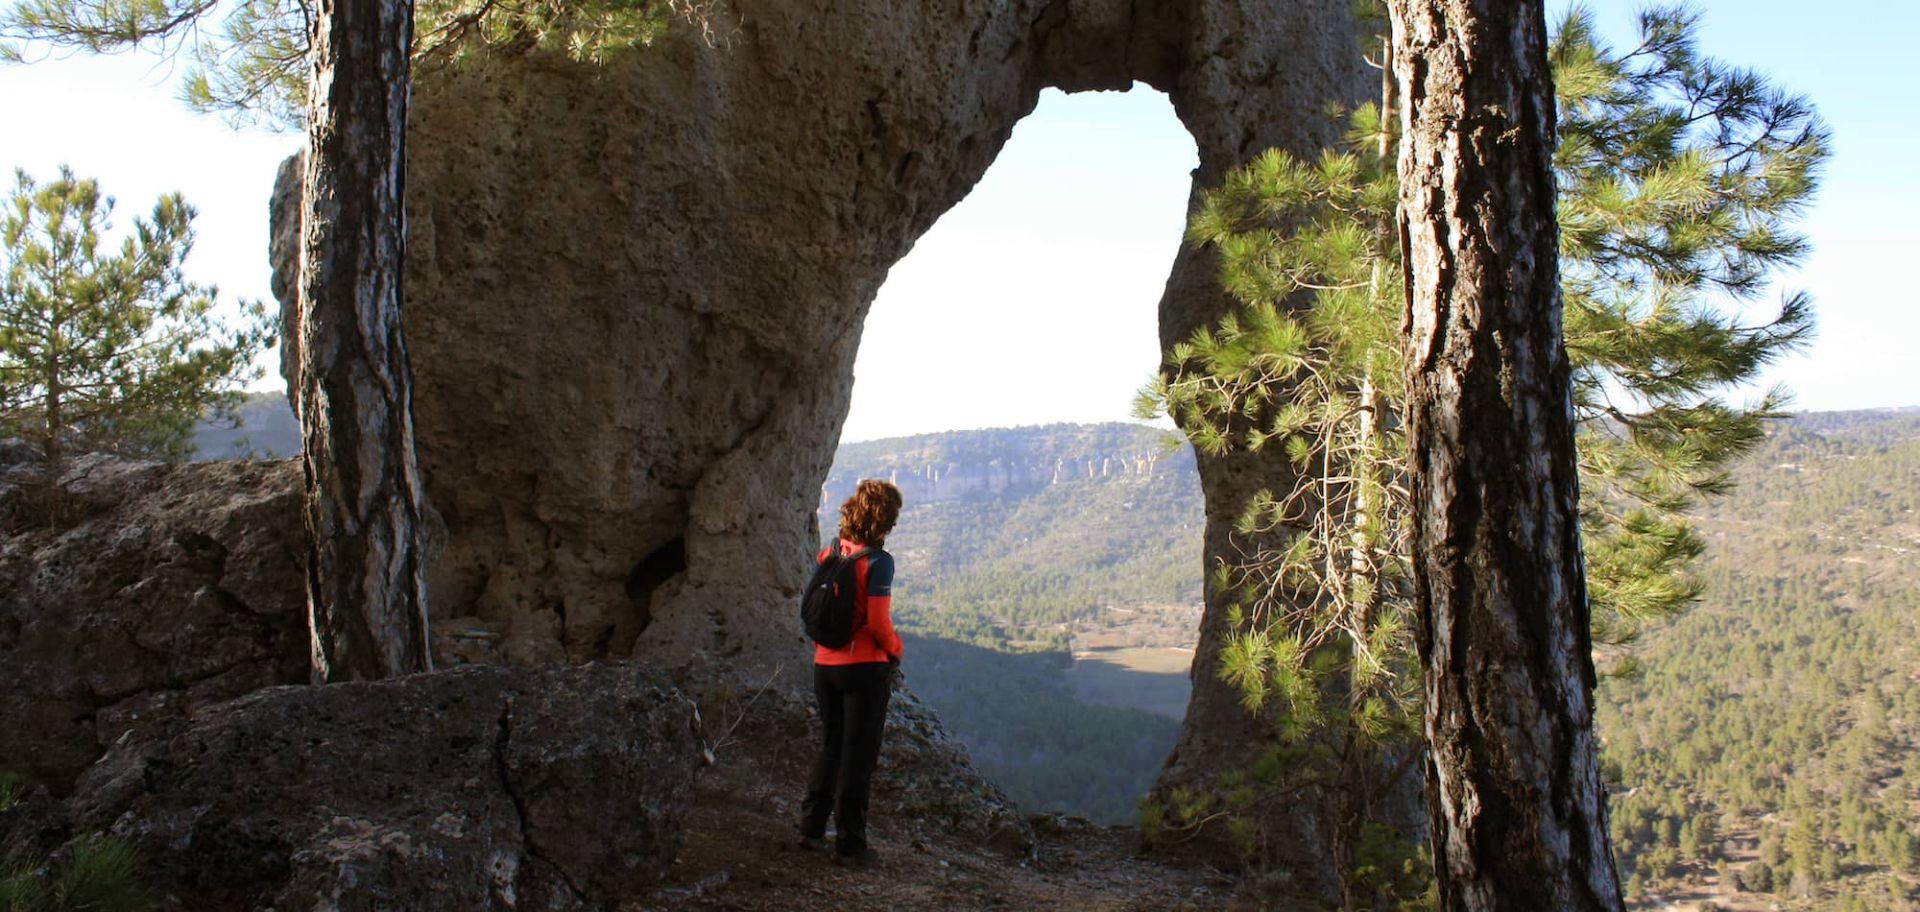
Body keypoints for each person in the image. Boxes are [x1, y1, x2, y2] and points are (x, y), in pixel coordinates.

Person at [799, 478, 904, 866]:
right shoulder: (879, 562)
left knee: (831, 746)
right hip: (863, 669)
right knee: (858, 755)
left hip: (824, 665)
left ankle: (811, 829)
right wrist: (895, 650)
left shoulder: (831, 552)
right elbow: (877, 623)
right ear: (885, 518)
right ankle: (850, 844)